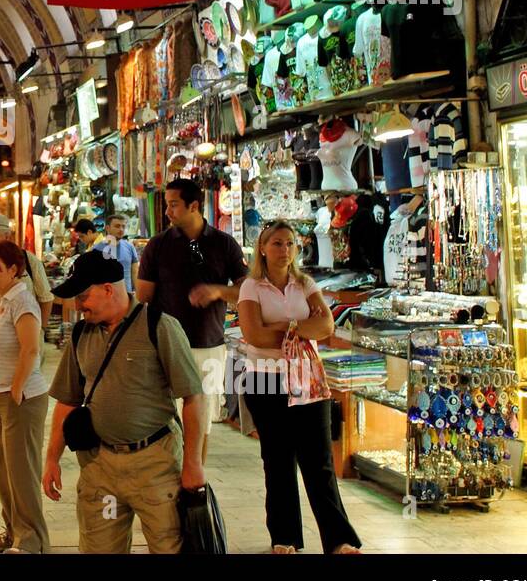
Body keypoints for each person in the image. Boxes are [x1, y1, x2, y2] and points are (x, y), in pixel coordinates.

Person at [42, 252, 207, 553]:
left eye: (83, 296)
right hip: (99, 467)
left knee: (168, 545)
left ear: (108, 288)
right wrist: (52, 458)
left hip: (154, 464)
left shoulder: (159, 326)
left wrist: (193, 463)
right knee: (99, 548)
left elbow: (193, 397)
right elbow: (67, 401)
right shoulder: (81, 334)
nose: (78, 306)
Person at [237, 220, 362, 554]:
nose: (285, 250)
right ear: (263, 248)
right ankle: (285, 537)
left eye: (290, 243)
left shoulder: (305, 283)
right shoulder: (252, 287)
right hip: (265, 380)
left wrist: (285, 325)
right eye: (277, 243)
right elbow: (254, 335)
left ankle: (339, 539)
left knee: (319, 461)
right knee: (278, 462)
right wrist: (299, 329)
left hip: (307, 379)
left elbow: (326, 324)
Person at [136, 178, 248, 460]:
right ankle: (166, 475)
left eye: (173, 205)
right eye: (168, 205)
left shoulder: (224, 244)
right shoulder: (158, 245)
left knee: (201, 420)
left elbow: (248, 291)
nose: (167, 212)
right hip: (165, 345)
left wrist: (218, 291)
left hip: (208, 344)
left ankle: (195, 476)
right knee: (163, 416)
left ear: (194, 206)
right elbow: (143, 296)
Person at [0, 241, 51, 554]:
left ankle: (31, 539)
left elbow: (31, 348)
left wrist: (17, 386)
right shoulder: (0, 301)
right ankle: (12, 529)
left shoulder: (23, 301)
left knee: (21, 472)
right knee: (2, 470)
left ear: (14, 270)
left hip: (20, 398)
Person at [95, 214, 140, 294]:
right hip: (106, 298)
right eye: (117, 226)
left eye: (123, 226)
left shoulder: (129, 247)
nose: (121, 229)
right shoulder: (97, 249)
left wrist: (138, 293)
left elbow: (135, 272)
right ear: (107, 228)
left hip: (127, 296)